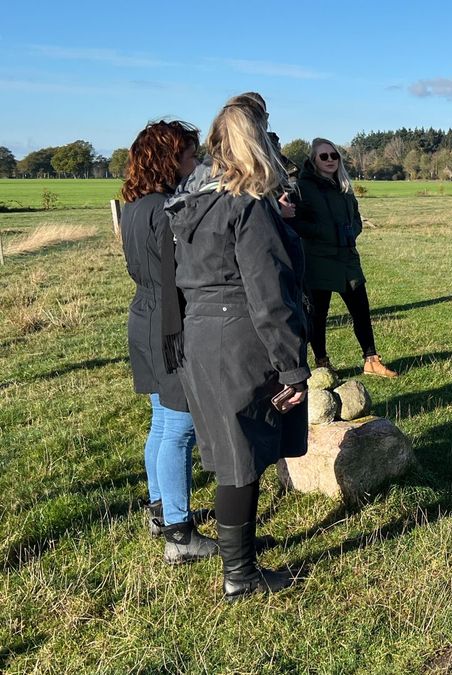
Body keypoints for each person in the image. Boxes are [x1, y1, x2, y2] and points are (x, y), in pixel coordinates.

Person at [165, 93, 309, 601]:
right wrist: (292, 366)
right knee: (241, 458)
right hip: (239, 335)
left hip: (200, 334)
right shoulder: (247, 204)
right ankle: (240, 574)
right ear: (257, 141)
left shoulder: (191, 200)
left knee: (232, 454)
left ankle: (238, 563)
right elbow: (268, 292)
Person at [118, 120, 218, 564]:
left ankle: (161, 511)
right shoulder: (166, 209)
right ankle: (179, 533)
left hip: (143, 316)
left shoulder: (134, 206)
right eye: (190, 156)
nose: (195, 164)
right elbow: (183, 269)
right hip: (169, 322)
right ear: (168, 159)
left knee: (161, 421)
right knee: (180, 427)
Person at [289, 138, 397, 377]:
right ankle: (322, 363)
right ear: (313, 160)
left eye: (334, 155)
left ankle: (371, 360)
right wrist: (323, 232)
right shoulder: (303, 188)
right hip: (318, 259)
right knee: (319, 314)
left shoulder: (344, 186)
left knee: (361, 309)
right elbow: (295, 221)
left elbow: (355, 217)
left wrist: (353, 231)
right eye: (324, 156)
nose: (330, 160)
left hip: (347, 257)